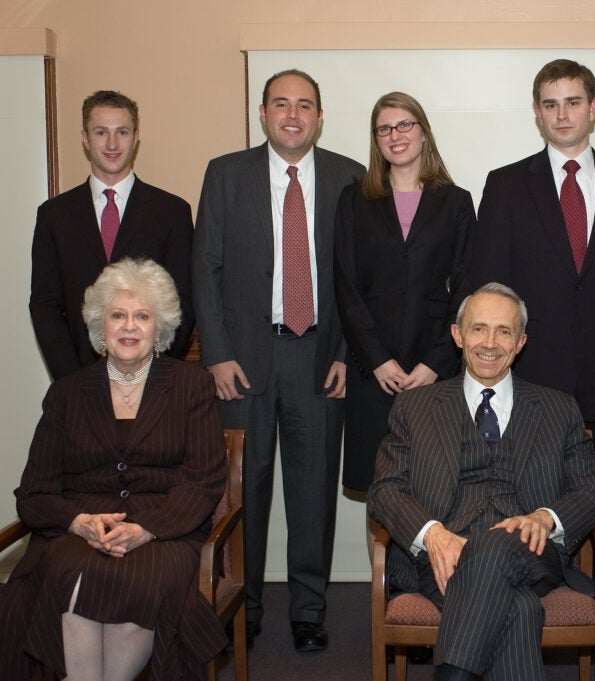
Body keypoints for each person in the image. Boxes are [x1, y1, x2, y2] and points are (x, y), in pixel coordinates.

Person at [468, 58, 595, 673]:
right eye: (550, 104)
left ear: (593, 107)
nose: (562, 114)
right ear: (537, 112)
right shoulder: (505, 184)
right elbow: (488, 286)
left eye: (573, 102)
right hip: (531, 381)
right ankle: (521, 614)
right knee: (525, 503)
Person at [192, 69, 364, 652]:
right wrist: (215, 355)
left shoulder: (350, 178)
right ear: (262, 113)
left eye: (306, 105)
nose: (293, 115)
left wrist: (346, 353)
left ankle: (309, 612)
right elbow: (204, 270)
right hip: (243, 362)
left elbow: (358, 279)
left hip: (321, 357)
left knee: (314, 493)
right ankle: (248, 604)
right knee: (245, 492)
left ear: (320, 116)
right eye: (282, 104)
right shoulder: (225, 174)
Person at [367, 283, 595, 681]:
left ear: (521, 342)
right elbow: (385, 490)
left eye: (504, 331)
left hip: (532, 551)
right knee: (518, 609)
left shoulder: (558, 407)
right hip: (442, 555)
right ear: (458, 335)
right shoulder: (415, 407)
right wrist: (432, 535)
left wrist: (546, 518)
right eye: (479, 328)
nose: (490, 343)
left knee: (494, 551)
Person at [0, 258, 226, 680]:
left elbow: (203, 481)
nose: (129, 327)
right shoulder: (66, 394)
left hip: (164, 532)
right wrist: (78, 521)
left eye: (142, 316)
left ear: (159, 331)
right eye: (117, 315)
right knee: (69, 576)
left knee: (140, 583)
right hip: (82, 530)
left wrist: (147, 528)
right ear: (99, 326)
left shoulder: (191, 387)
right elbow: (34, 493)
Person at [334, 91, 475, 495]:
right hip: (373, 371)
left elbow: (466, 288)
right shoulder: (354, 198)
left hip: (433, 369)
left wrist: (437, 362)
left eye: (404, 124)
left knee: (436, 484)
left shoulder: (456, 203)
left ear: (424, 133)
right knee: (379, 484)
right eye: (384, 128)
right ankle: (382, 564)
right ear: (376, 140)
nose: (395, 135)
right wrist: (376, 361)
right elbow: (346, 285)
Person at [30, 90, 194, 381]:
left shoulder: (172, 212)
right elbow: (45, 305)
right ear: (84, 138)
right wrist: (71, 379)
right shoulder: (53, 215)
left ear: (136, 137)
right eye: (100, 132)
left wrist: (154, 369)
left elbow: (184, 300)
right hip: (77, 378)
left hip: (153, 379)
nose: (112, 144)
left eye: (122, 132)